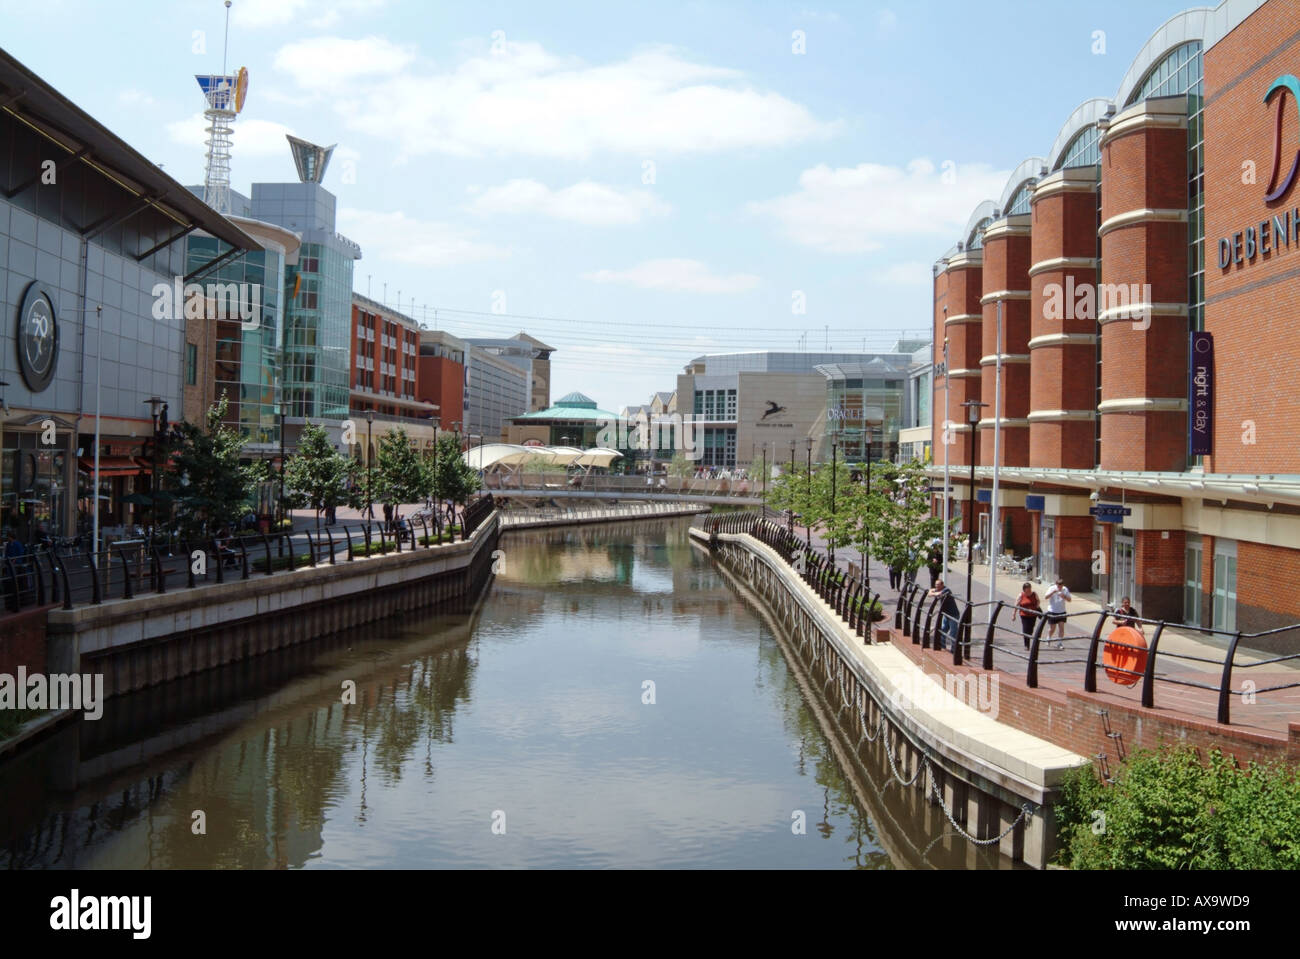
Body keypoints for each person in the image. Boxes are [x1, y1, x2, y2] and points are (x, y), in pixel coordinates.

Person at [928, 578, 960, 652]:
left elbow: (939, 594)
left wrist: (934, 593)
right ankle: (942, 646)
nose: (936, 586)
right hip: (946, 614)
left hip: (953, 614)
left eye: (938, 585)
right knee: (943, 629)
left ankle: (954, 649)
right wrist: (933, 592)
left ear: (942, 585)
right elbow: (929, 593)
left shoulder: (947, 590)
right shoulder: (938, 589)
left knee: (953, 632)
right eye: (936, 584)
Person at [1044, 577, 1071, 647]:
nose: (1059, 587)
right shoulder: (1052, 588)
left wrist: (1064, 596)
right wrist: (1053, 592)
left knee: (1061, 627)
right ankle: (1048, 638)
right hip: (1052, 611)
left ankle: (1059, 642)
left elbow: (1069, 600)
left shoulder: (1065, 589)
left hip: (1062, 611)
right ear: (1056, 584)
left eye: (1061, 586)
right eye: (1058, 586)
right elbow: (1046, 597)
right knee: (1052, 628)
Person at [1016, 581, 1042, 649]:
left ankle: (1028, 638)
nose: (1029, 591)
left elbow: (1038, 600)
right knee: (1025, 629)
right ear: (1024, 589)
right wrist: (1014, 614)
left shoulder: (1034, 594)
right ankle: (1026, 645)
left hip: (1033, 615)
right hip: (1024, 615)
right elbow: (1016, 604)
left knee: (1030, 630)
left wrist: (1037, 606)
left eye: (1030, 589)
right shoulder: (1021, 595)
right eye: (1028, 589)